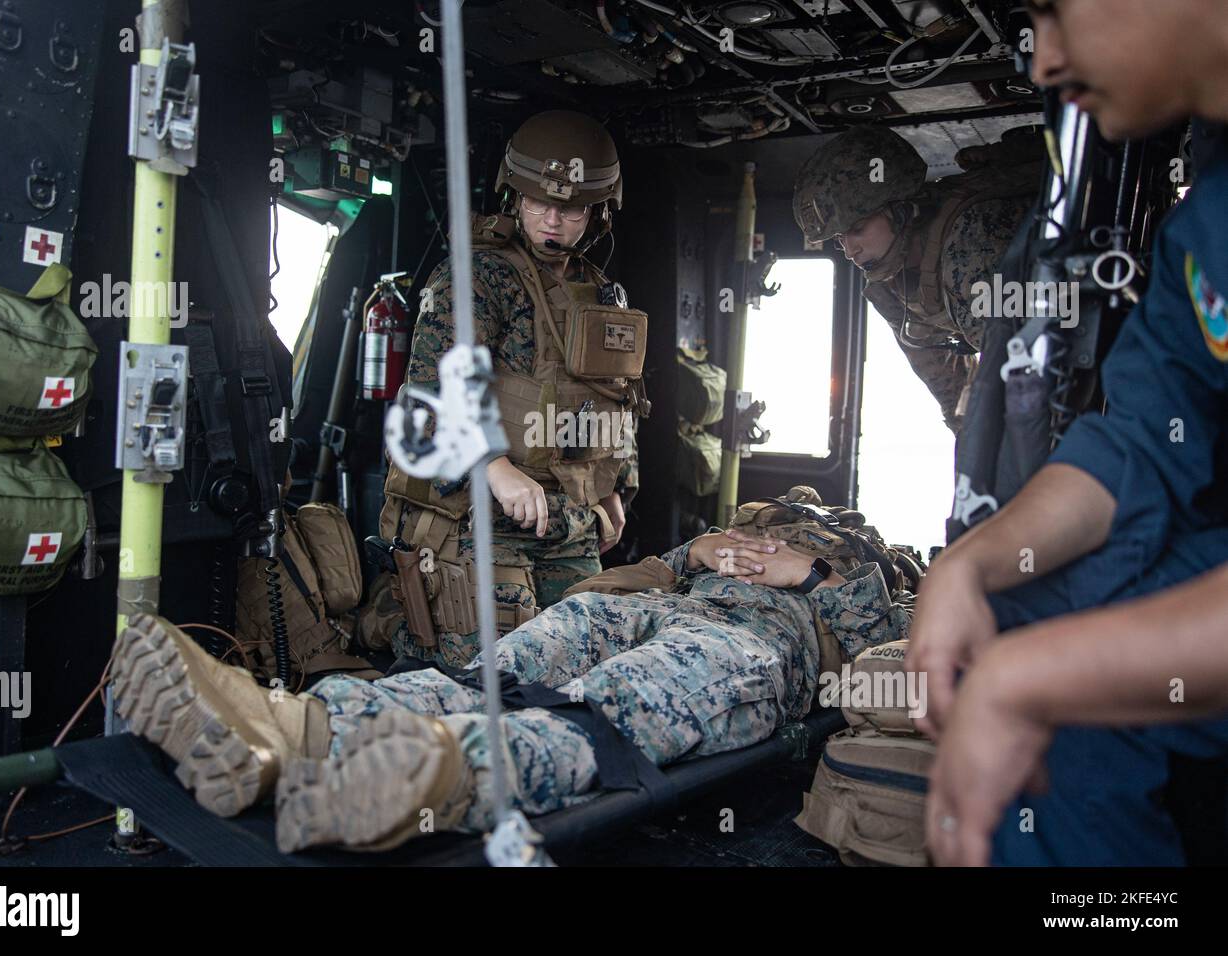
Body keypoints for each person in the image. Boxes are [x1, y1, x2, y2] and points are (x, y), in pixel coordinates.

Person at [108, 488, 911, 853]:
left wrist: (812, 578)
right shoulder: (756, 520)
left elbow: (882, 658)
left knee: (606, 707)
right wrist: (692, 552)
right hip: (656, 603)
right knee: (495, 669)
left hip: (754, 649)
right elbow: (662, 566)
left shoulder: (889, 574)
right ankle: (299, 727)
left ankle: (433, 777)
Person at [910, 0, 1228, 866]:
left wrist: (1033, 680)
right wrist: (966, 564)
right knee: (1010, 614)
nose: (1042, 59)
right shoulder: (1210, 218)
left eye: (1055, 11)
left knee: (1034, 672)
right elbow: (1135, 446)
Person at [374, 110, 647, 669]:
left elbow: (620, 400)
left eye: (570, 209)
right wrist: (495, 467)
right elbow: (428, 398)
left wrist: (616, 487)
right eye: (537, 202)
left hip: (566, 522)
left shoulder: (600, 293)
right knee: (485, 682)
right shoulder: (475, 278)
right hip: (477, 522)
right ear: (513, 197)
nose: (552, 219)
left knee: (582, 673)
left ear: (596, 212)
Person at [793, 124, 1040, 432]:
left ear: (899, 209)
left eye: (857, 229)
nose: (849, 250)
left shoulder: (971, 243)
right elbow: (948, 382)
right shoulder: (894, 289)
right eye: (840, 239)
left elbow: (1030, 371)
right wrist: (966, 433)